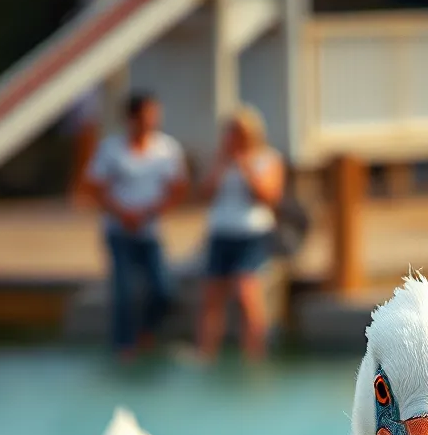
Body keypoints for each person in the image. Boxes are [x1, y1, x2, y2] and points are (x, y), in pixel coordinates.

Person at [83, 93, 188, 360]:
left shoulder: (167, 148)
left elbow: (177, 189)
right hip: (119, 230)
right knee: (124, 290)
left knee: (164, 289)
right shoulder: (111, 148)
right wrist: (122, 213)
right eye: (146, 116)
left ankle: (146, 333)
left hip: (149, 230)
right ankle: (123, 347)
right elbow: (94, 187)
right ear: (131, 119)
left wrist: (149, 212)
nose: (151, 122)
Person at [197, 106, 285, 361]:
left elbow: (269, 196)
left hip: (251, 233)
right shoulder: (219, 160)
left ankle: (255, 355)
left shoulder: (267, 158)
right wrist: (221, 167)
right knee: (212, 295)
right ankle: (205, 354)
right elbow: (203, 194)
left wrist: (245, 166)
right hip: (221, 232)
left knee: (246, 292)